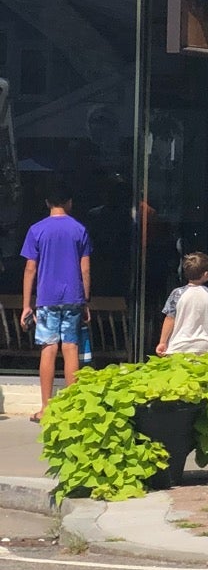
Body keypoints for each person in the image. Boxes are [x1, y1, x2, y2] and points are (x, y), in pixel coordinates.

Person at [18, 180, 92, 422]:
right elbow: (85, 269)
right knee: (71, 348)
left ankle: (46, 407)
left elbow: (30, 268)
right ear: (69, 203)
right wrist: (85, 300)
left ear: (47, 203)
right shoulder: (79, 229)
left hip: (46, 299)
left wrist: (27, 304)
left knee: (48, 349)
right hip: (72, 297)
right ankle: (71, 407)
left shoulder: (36, 230)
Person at [157, 251, 208, 357]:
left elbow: (169, 319)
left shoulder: (177, 294)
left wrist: (162, 342)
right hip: (203, 347)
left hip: (179, 347)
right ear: (206, 274)